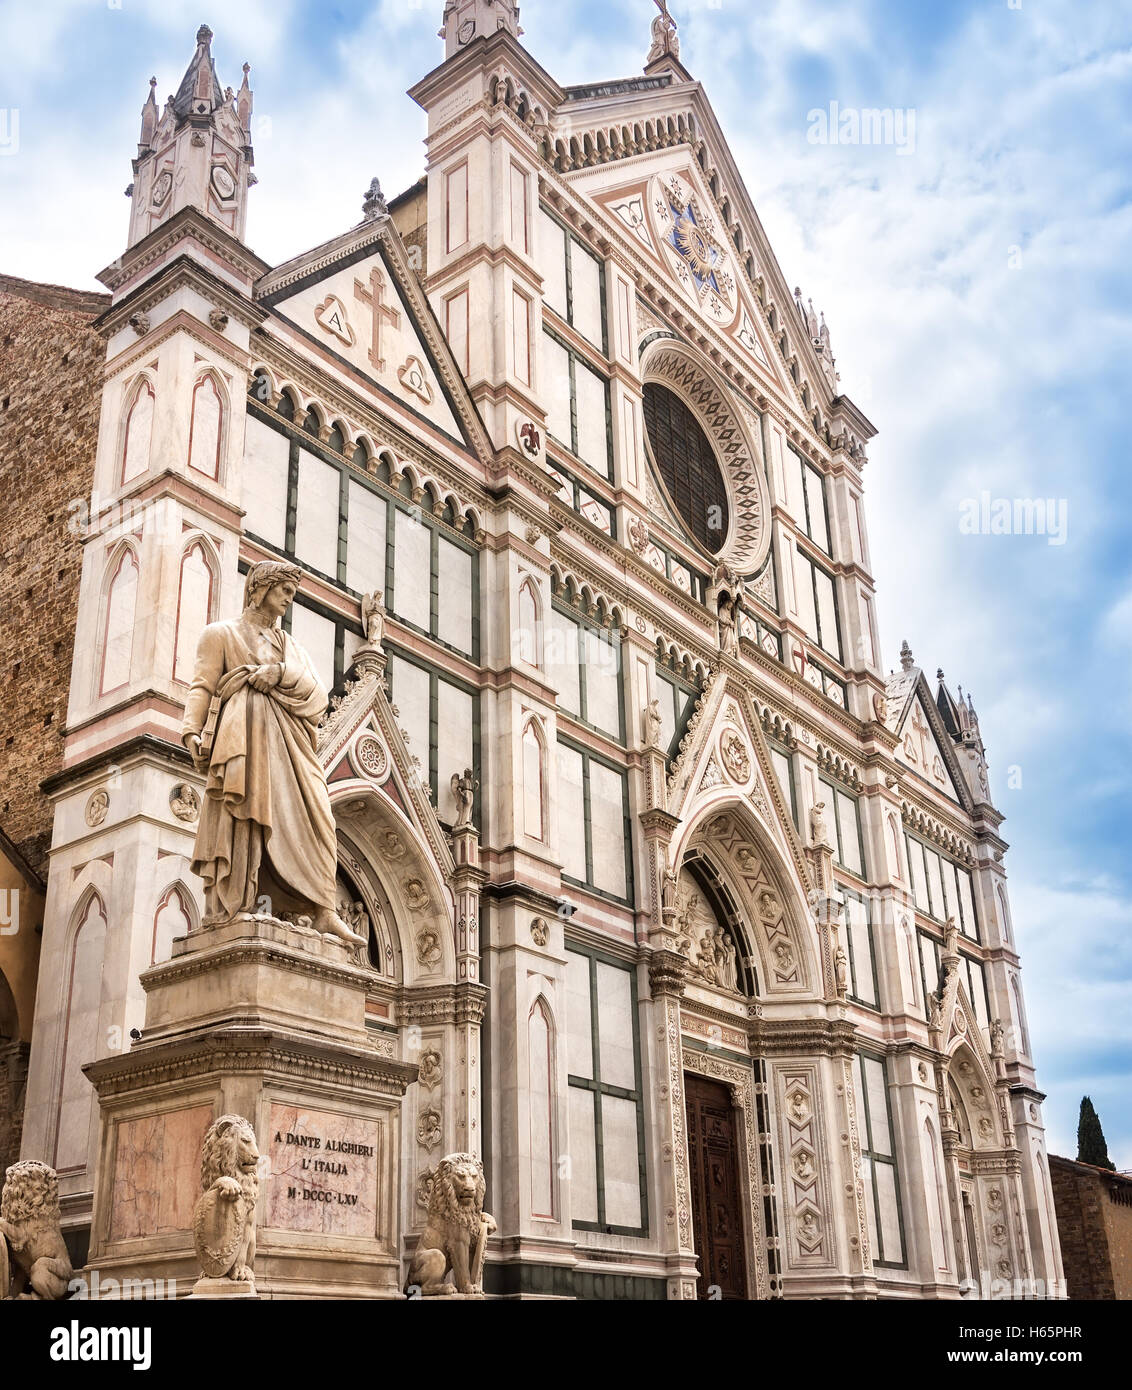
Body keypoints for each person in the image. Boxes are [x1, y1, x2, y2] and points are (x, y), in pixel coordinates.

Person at [181, 560, 365, 947]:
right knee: (246, 813)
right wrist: (191, 732)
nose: (288, 600)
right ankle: (240, 904)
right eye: (284, 591)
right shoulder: (221, 634)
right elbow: (202, 685)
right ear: (260, 588)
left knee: (320, 818)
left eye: (293, 594)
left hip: (291, 745)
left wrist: (279, 674)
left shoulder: (291, 647)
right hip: (243, 740)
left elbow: (316, 699)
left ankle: (322, 910)